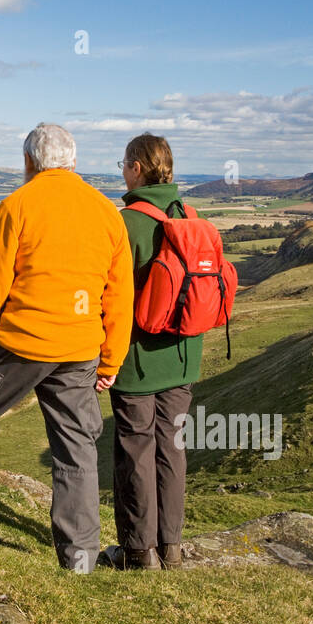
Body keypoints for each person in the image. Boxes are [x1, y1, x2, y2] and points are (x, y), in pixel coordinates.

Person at [0, 122, 134, 572]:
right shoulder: (105, 211)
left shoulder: (17, 204)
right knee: (76, 446)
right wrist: (112, 358)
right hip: (81, 348)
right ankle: (80, 558)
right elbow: (119, 295)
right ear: (74, 162)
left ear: (28, 163)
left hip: (22, 343)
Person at [106, 133, 202, 570]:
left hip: (137, 361)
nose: (122, 170)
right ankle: (172, 548)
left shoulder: (126, 222)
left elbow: (112, 296)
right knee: (172, 449)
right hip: (183, 357)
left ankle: (139, 552)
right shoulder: (189, 215)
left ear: (138, 168)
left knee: (135, 452)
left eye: (124, 163)